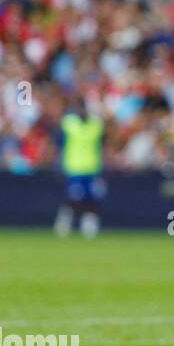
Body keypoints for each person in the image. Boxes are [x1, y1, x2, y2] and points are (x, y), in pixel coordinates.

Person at [54, 96, 105, 239]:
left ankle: (89, 226)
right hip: (74, 167)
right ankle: (64, 222)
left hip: (92, 167)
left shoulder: (96, 125)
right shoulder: (68, 124)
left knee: (92, 199)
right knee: (73, 198)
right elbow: (60, 143)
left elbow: (102, 144)